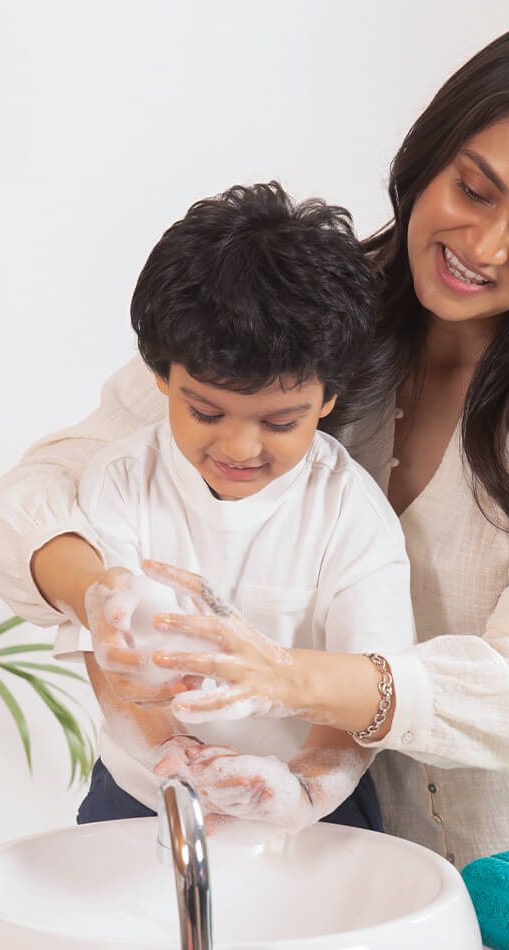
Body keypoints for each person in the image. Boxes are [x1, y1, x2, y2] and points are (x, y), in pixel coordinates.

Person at [0, 16, 509, 867]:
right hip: (355, 853)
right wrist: (100, 593)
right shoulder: (303, 318)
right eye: (473, 189)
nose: (482, 247)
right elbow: (23, 504)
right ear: (430, 156)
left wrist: (282, 675)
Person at [56, 182, 414, 832]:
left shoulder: (350, 513)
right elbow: (105, 657)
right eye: (206, 411)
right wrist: (173, 751)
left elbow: (369, 688)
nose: (240, 446)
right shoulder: (122, 481)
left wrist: (301, 789)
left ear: (329, 396)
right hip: (144, 786)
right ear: (161, 375)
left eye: (280, 421)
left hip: (318, 798)